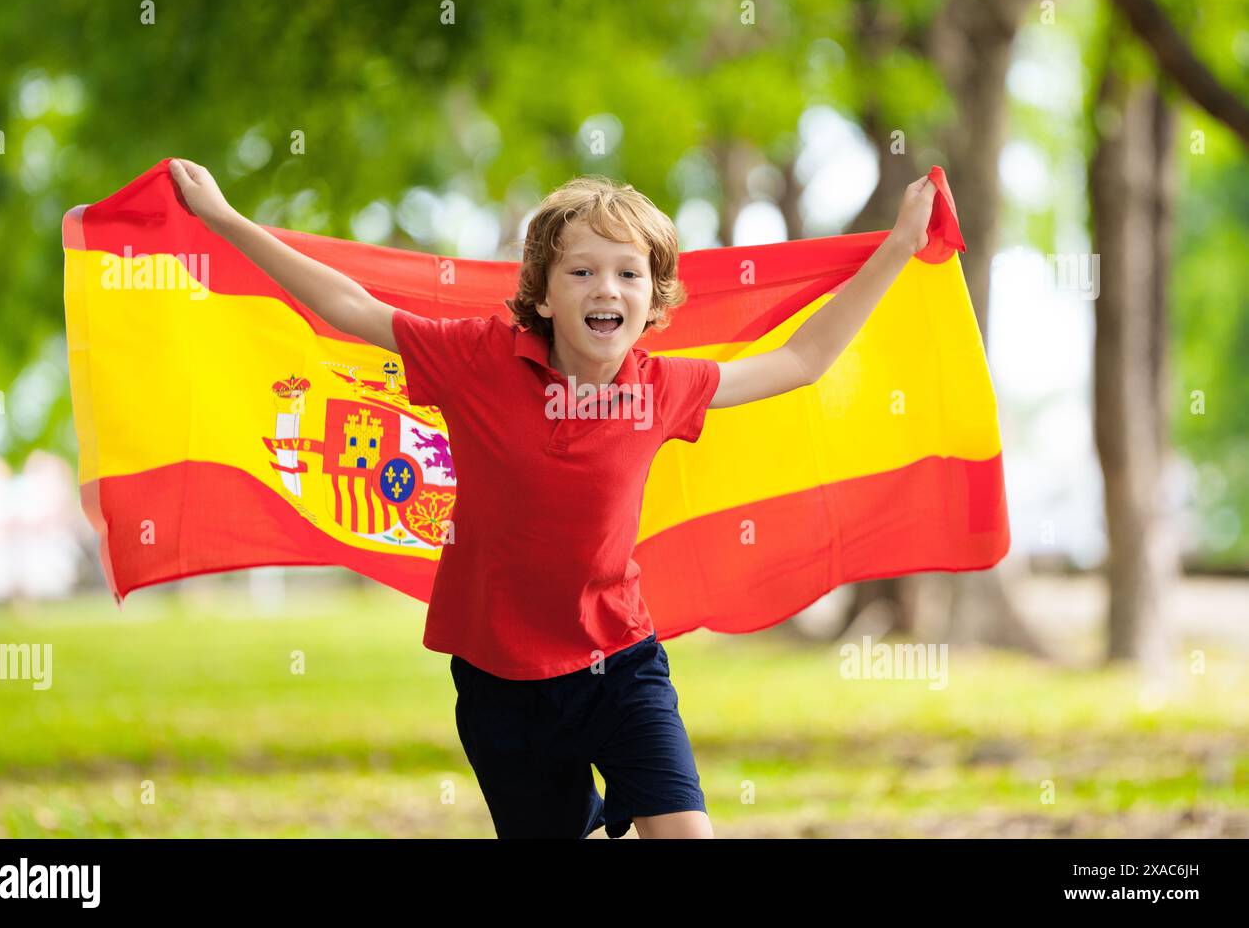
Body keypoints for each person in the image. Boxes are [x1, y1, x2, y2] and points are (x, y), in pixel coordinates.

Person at [168, 157, 937, 839]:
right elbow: (351, 307)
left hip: (621, 663)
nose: (606, 288)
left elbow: (802, 359)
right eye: (582, 272)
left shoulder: (660, 386)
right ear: (541, 297)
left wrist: (899, 245)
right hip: (502, 683)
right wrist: (224, 218)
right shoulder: (474, 360)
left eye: (628, 274)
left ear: (653, 299)